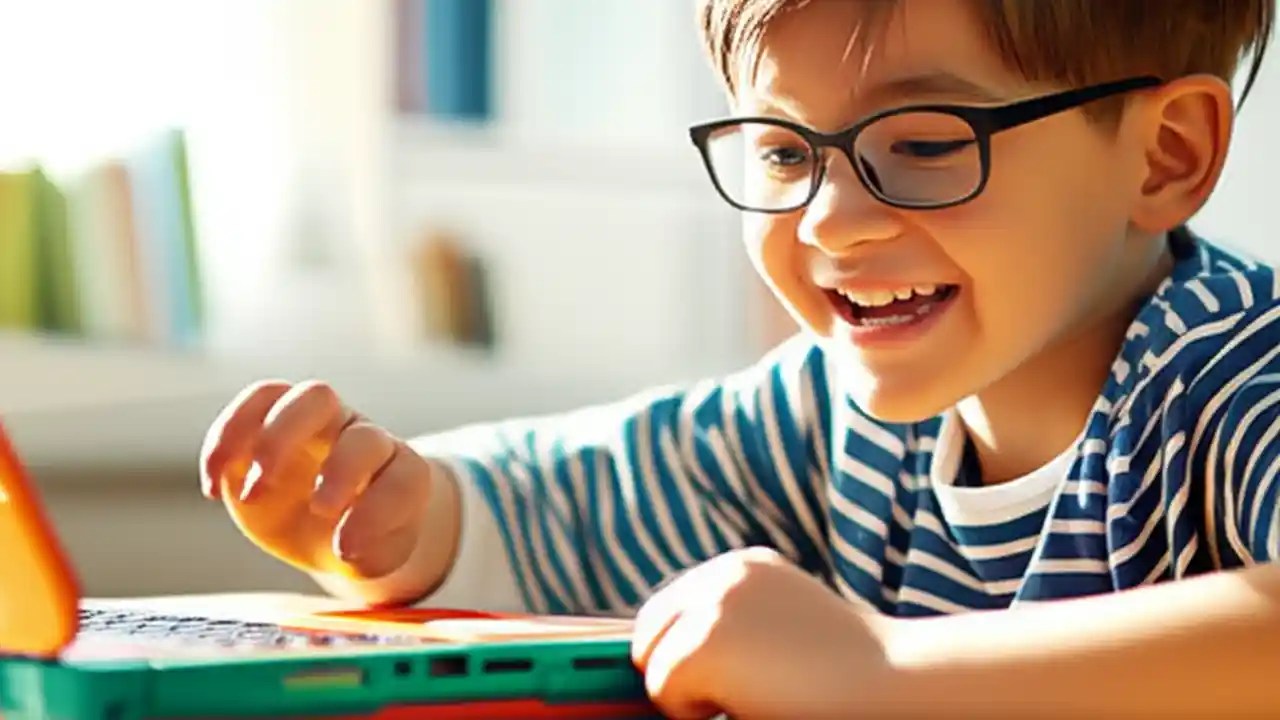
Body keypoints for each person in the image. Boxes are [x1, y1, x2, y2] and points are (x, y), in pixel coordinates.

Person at [199, 1, 1280, 717]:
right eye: (780, 151)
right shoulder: (832, 420)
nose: (828, 221)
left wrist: (882, 674)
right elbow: (557, 506)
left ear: (1164, 155)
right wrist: (391, 518)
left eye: (922, 143)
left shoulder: (1232, 373)